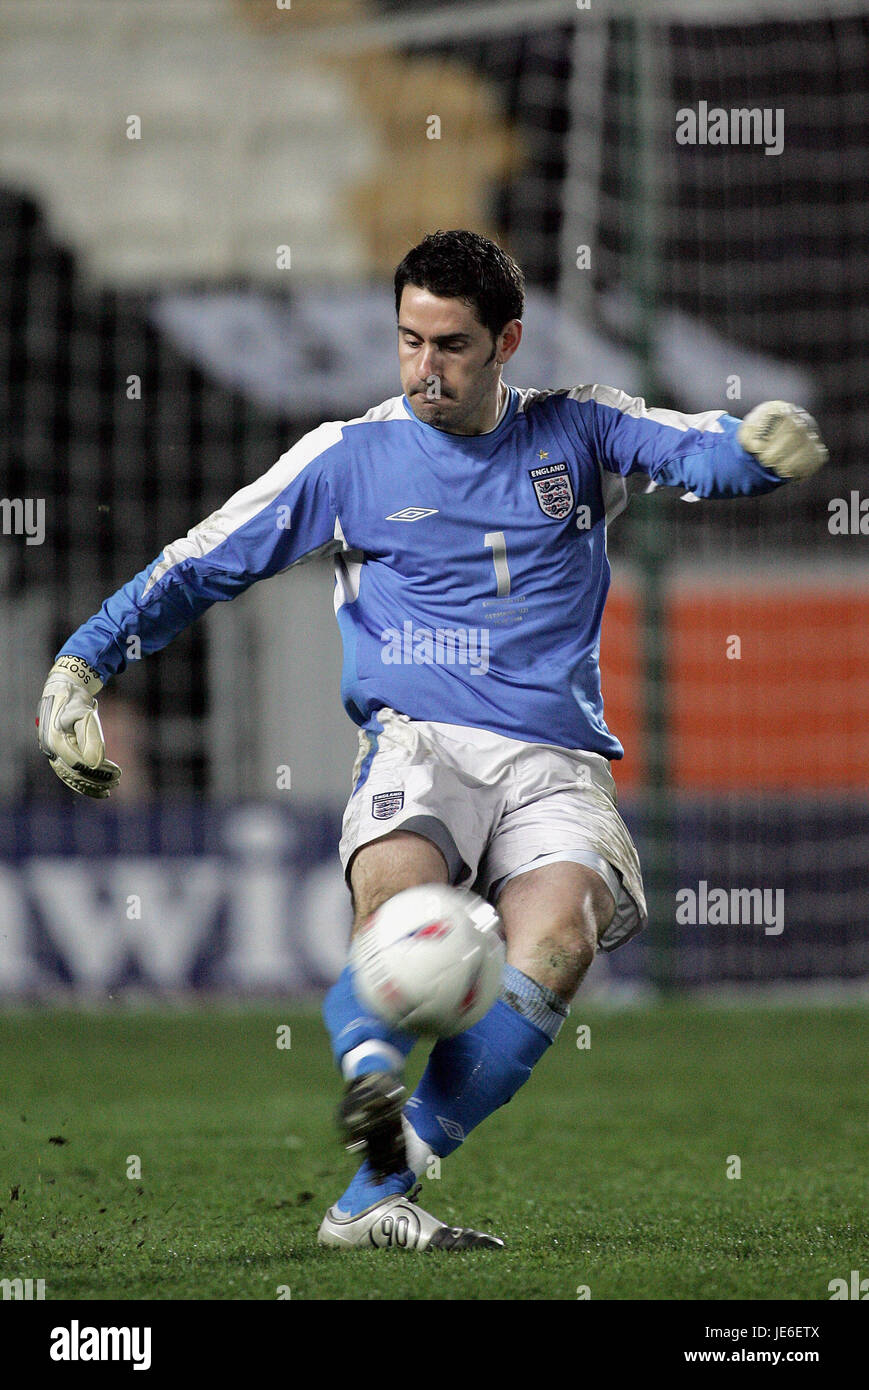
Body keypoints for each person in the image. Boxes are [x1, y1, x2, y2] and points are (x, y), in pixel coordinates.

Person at [37, 229, 828, 1251]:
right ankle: (369, 1075)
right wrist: (81, 665)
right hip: (419, 743)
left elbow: (697, 452)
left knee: (557, 940)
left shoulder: (579, 427)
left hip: (551, 761)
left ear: (507, 341)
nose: (423, 368)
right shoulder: (346, 456)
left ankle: (382, 1176)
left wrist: (757, 450)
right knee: (402, 908)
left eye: (449, 345)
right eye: (407, 340)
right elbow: (201, 563)